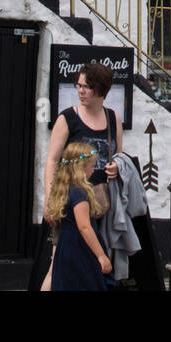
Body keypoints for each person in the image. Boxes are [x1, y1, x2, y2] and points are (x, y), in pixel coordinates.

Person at [41, 61, 122, 290]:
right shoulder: (67, 118)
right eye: (78, 85)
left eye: (86, 87)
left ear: (101, 90)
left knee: (92, 265)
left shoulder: (112, 117)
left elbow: (117, 155)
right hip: (71, 202)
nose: (81, 91)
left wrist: (116, 167)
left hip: (101, 204)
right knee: (56, 265)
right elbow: (52, 160)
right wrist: (49, 200)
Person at [45, 142, 112, 290]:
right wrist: (101, 256)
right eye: (91, 166)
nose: (93, 171)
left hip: (66, 246)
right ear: (81, 168)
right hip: (79, 250)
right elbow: (84, 227)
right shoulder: (79, 193)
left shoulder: (65, 189)